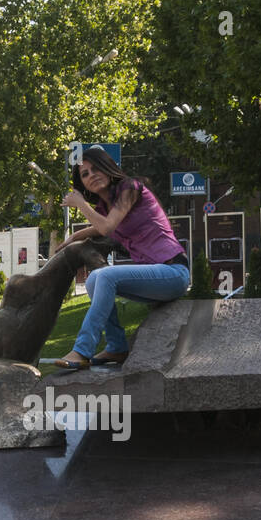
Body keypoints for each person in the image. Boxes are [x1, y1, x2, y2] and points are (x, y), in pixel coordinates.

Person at [52, 147, 190, 369]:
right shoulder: (107, 207)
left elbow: (106, 227)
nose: (92, 175)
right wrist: (73, 238)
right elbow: (97, 228)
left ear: (108, 168)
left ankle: (82, 350)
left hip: (173, 271)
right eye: (85, 174)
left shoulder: (130, 188)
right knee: (93, 280)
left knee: (105, 276)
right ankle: (117, 347)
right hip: (155, 279)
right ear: (83, 183)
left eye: (96, 168)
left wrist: (81, 204)